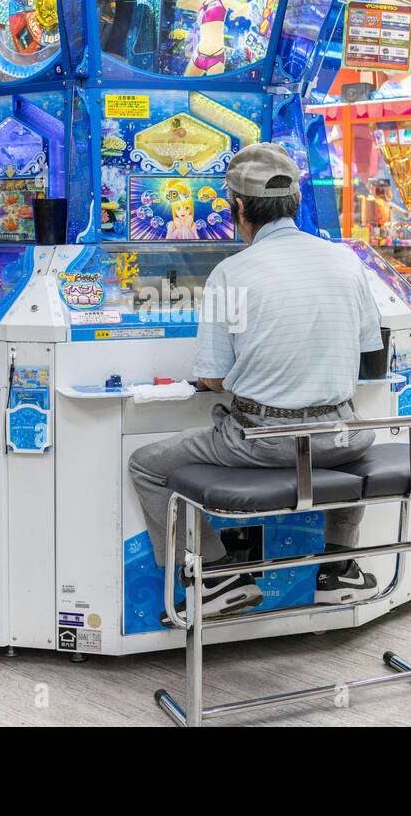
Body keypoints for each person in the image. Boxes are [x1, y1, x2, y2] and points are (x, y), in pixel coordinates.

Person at [128, 143, 386, 621]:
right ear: (293, 202)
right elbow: (371, 353)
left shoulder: (231, 273)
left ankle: (219, 577)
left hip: (263, 442)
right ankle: (338, 568)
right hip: (341, 437)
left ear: (239, 208)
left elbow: (214, 377)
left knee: (146, 464)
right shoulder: (347, 261)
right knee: (350, 437)